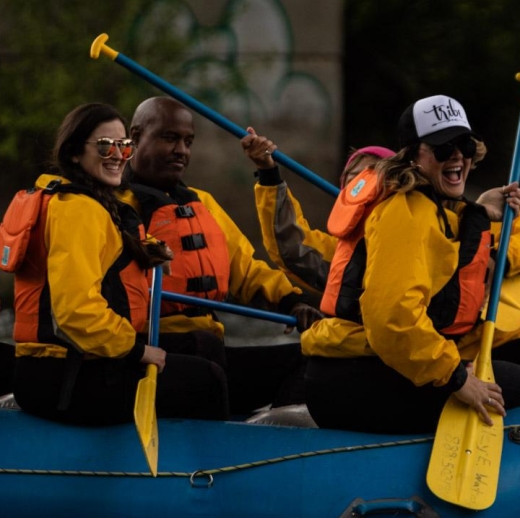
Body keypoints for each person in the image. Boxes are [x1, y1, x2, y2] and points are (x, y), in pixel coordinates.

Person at [301, 94, 520, 434]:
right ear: (414, 156)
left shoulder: (433, 205)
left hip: (380, 364)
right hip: (352, 380)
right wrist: (458, 378)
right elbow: (392, 321)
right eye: (443, 148)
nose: (458, 156)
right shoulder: (403, 212)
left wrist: (478, 210)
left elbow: (443, 252)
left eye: (464, 144)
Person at [11, 102, 229, 424]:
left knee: (201, 342)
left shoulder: (95, 202)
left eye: (124, 145)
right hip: (61, 376)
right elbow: (75, 312)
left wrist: (152, 253)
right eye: (104, 146)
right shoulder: (77, 212)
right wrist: (138, 351)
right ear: (74, 153)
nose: (117, 155)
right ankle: (212, 469)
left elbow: (118, 240)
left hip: (73, 363)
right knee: (206, 378)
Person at [121, 96, 323, 416]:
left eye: (188, 141)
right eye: (169, 138)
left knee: (312, 358)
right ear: (134, 137)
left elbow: (247, 268)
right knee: (205, 353)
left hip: (209, 352)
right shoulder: (114, 205)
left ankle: (265, 443)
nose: (181, 151)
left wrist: (292, 302)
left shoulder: (202, 203)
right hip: (149, 355)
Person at [240, 126, 395, 298]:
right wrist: (267, 171)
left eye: (374, 179)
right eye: (355, 178)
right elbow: (292, 248)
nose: (364, 186)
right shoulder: (342, 254)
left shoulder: (417, 237)